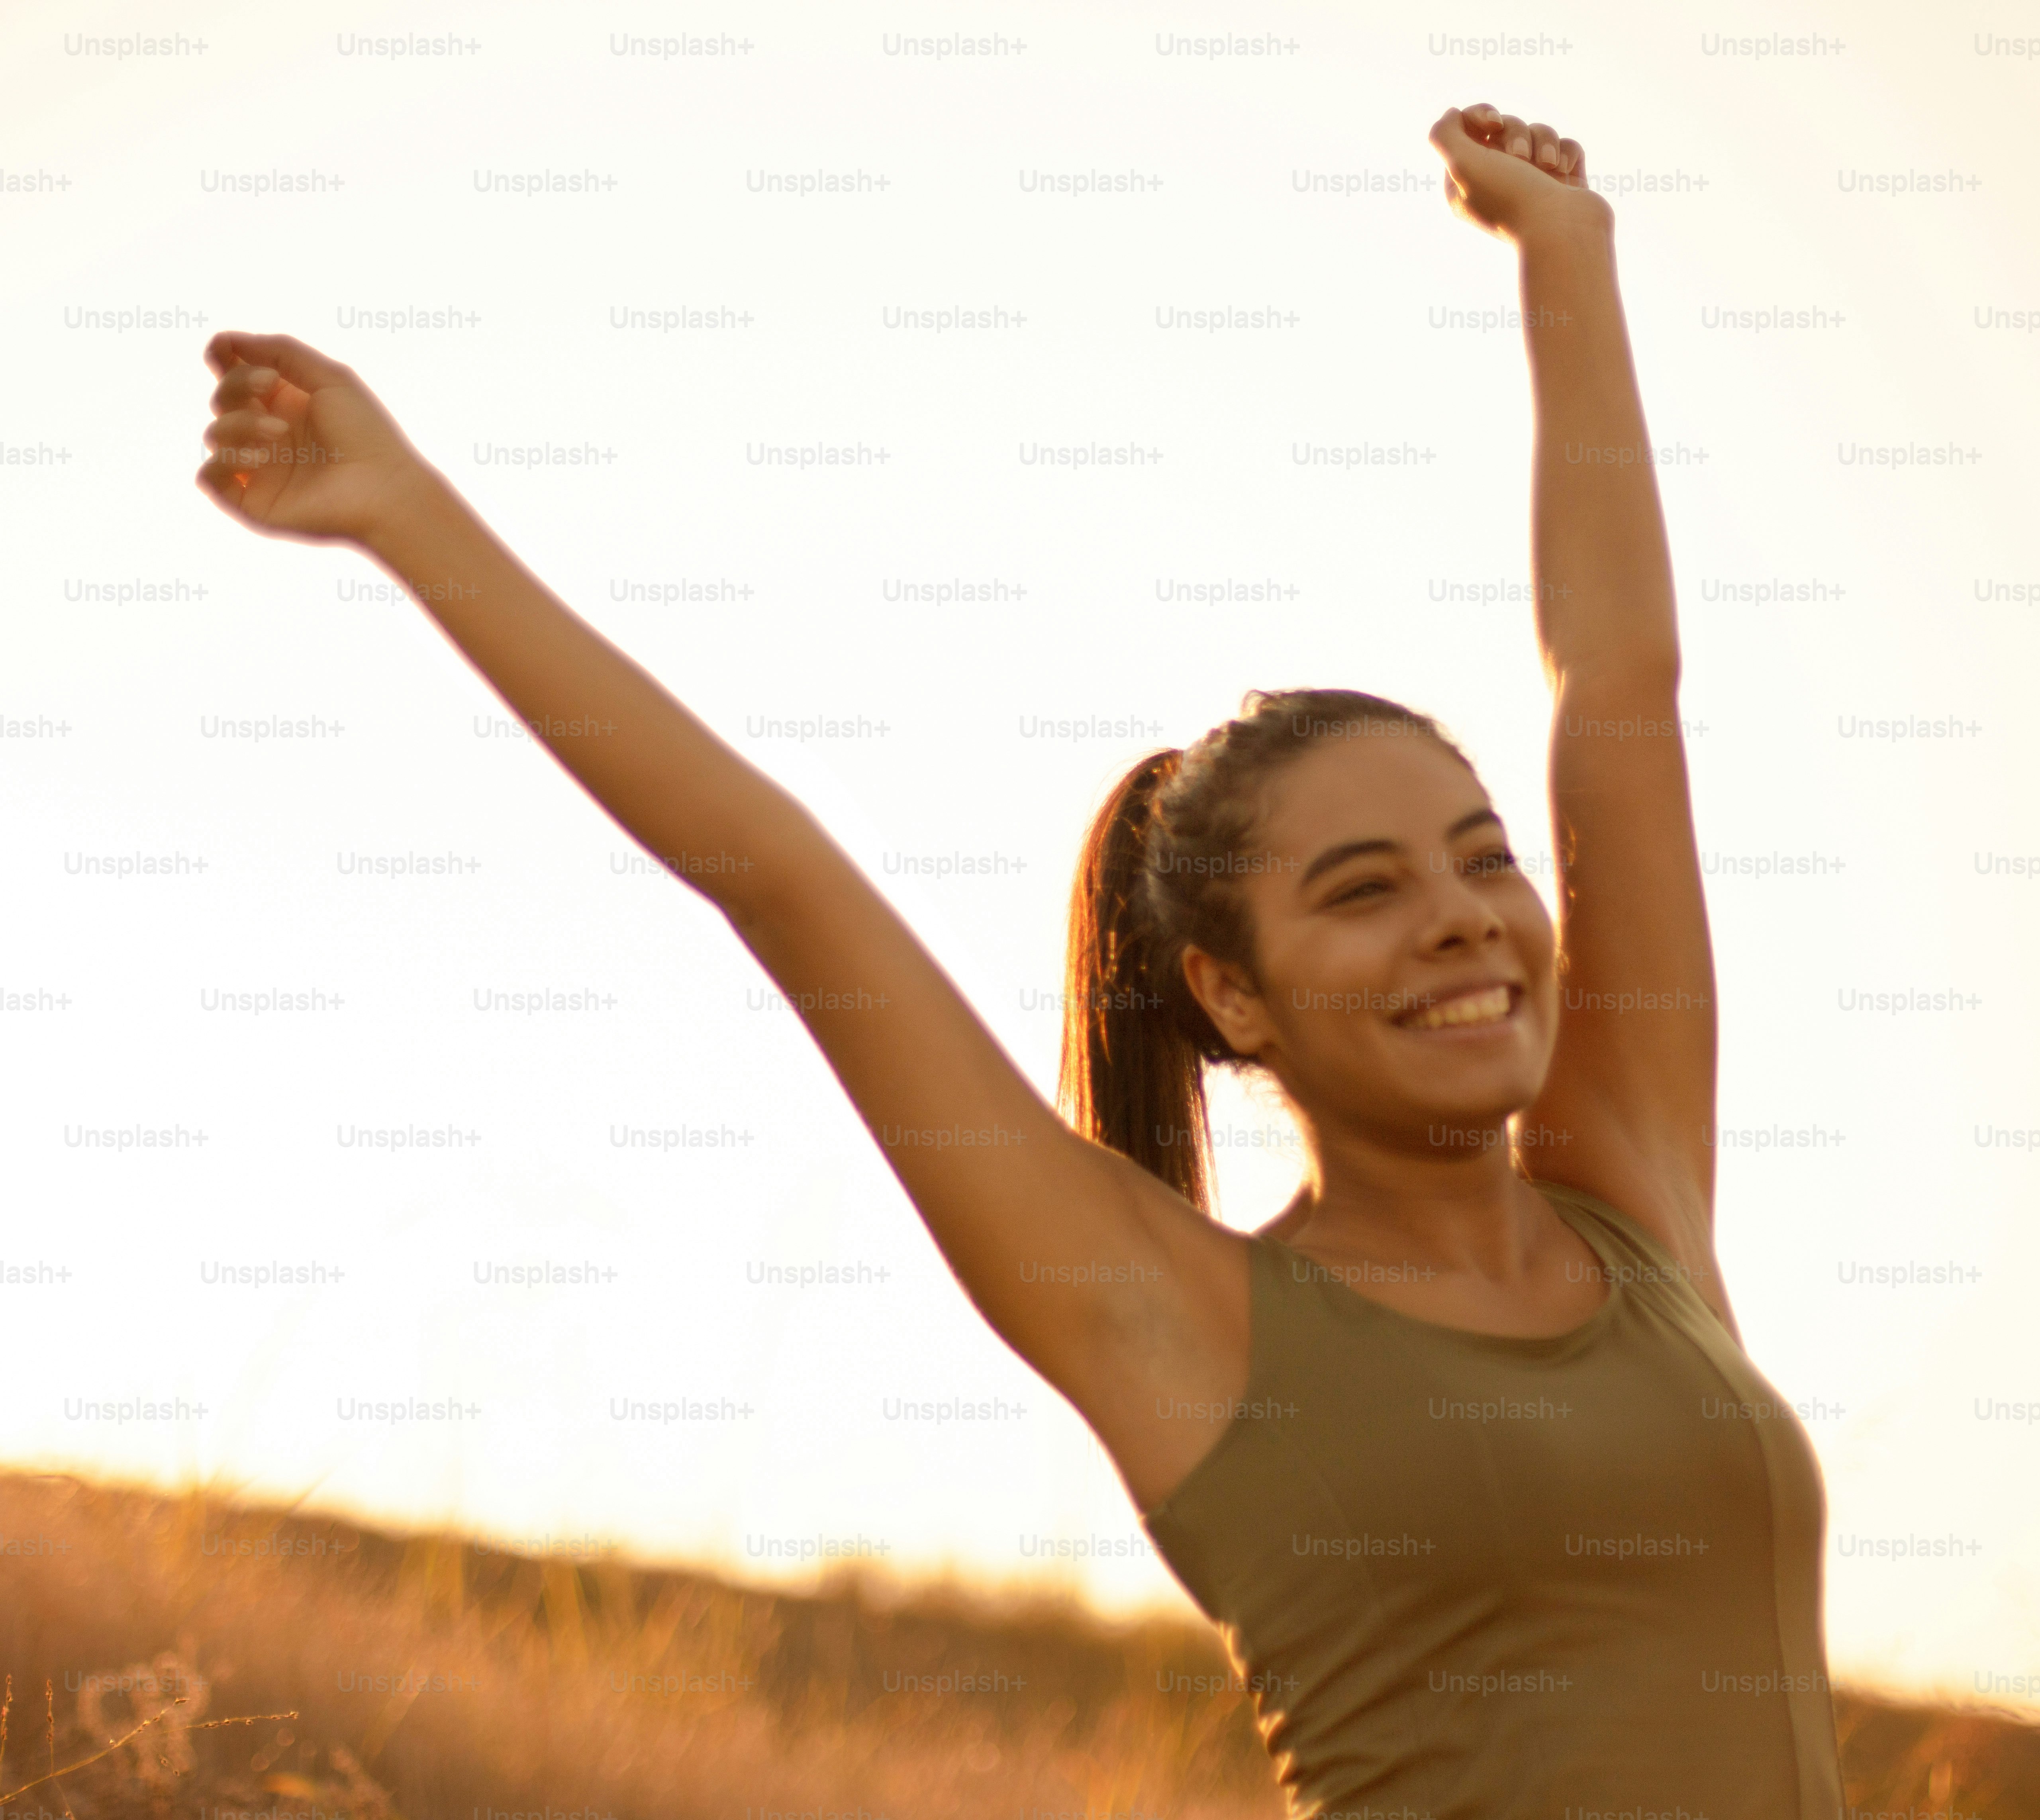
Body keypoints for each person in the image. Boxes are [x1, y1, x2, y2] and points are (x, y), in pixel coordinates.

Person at [194, 103, 1843, 1820]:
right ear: (1233, 995)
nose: (1462, 913)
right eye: (1361, 890)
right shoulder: (1183, 1316)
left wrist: (1569, 265)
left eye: (1483, 857)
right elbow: (779, 878)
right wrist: (406, 514)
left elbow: (1621, 698)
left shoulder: (1635, 1199)